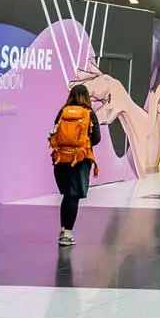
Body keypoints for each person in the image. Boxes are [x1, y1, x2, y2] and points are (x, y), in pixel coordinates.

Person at [50, 84, 100, 247]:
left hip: (61, 159)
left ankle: (64, 229)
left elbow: (54, 133)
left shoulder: (62, 112)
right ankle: (67, 234)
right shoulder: (89, 114)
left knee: (67, 195)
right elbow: (97, 138)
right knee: (73, 196)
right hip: (80, 160)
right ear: (86, 97)